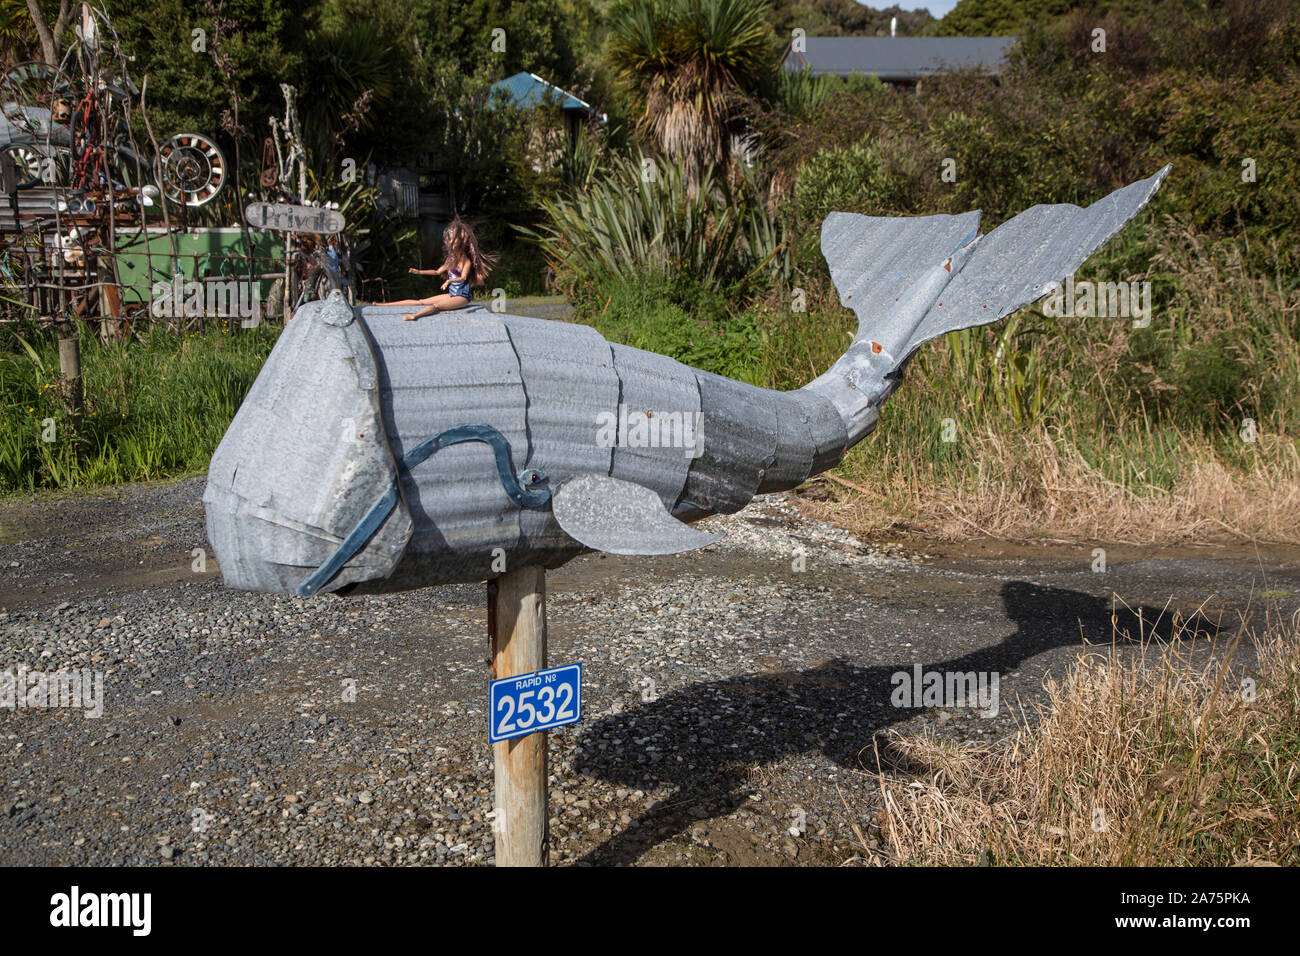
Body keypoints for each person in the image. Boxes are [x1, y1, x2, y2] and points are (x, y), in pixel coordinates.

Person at [379, 217, 497, 320]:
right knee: (420, 301)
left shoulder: (466, 261)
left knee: (436, 306)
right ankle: (384, 305)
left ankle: (414, 316)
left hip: (462, 297)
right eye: (449, 239)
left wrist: (449, 280)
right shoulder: (451, 259)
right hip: (452, 294)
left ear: (462, 242)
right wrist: (419, 271)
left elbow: (463, 278)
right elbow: (437, 271)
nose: (451, 242)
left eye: (454, 239)